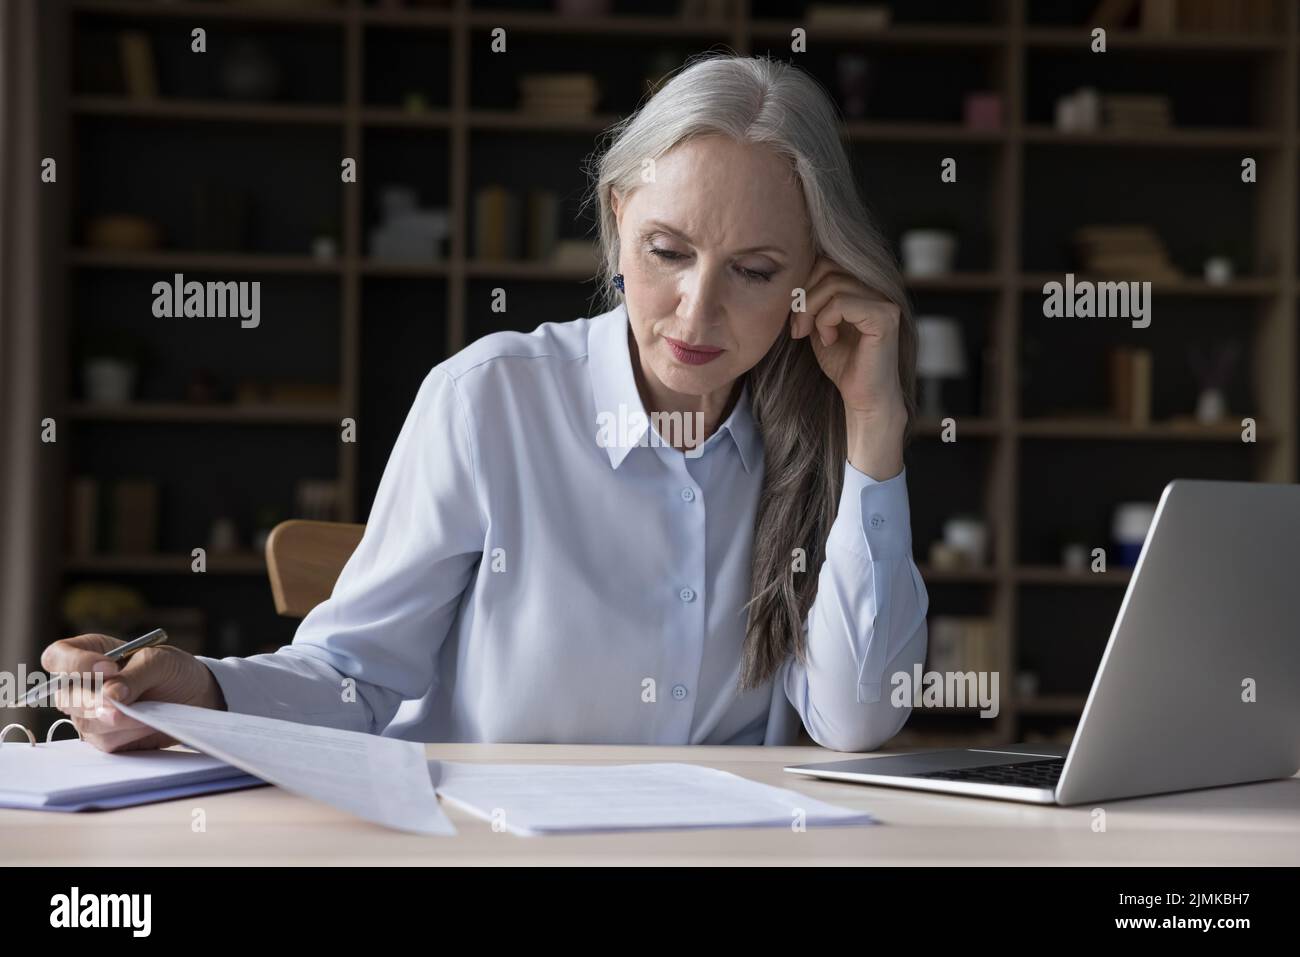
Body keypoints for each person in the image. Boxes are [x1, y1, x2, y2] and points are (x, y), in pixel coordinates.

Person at [42, 52, 929, 754]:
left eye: (755, 271)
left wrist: (873, 429)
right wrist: (199, 690)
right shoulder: (489, 401)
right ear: (619, 219)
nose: (698, 311)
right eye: (667, 250)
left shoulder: (816, 431)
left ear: (812, 278)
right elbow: (354, 672)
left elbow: (858, 719)